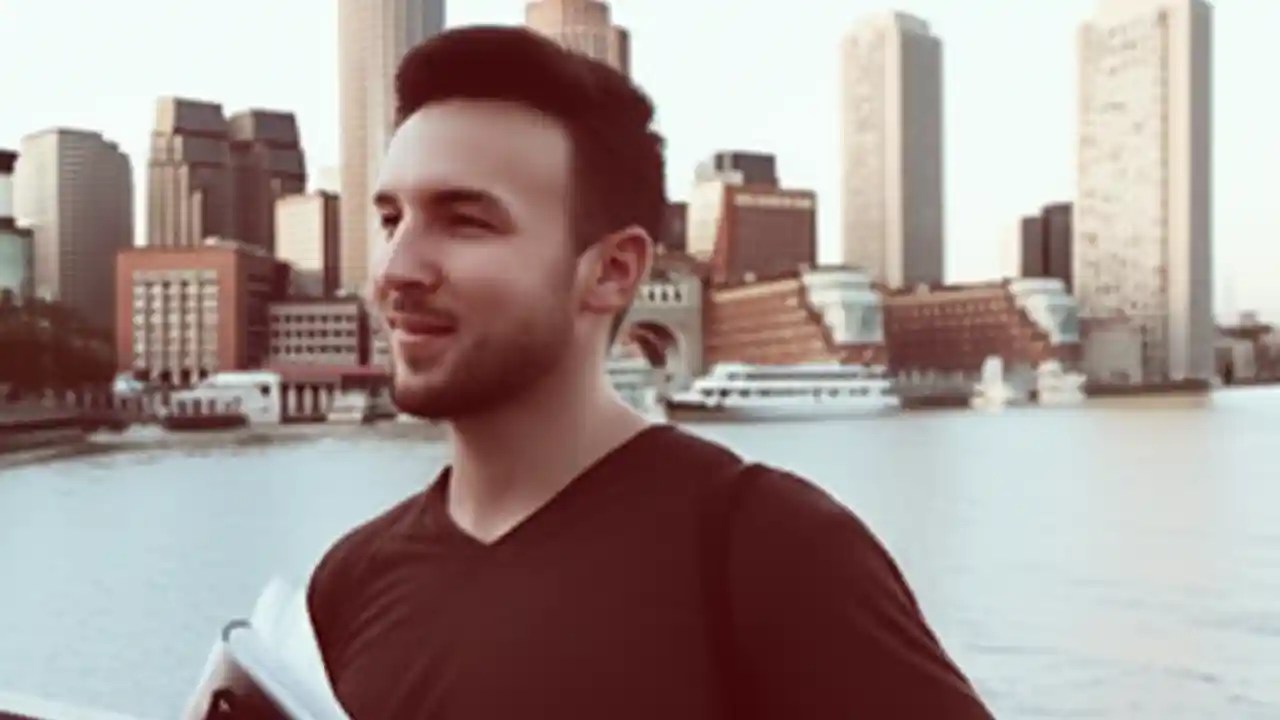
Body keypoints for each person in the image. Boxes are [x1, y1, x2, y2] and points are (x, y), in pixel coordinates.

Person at [307, 24, 993, 720]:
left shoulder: (767, 548)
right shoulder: (348, 582)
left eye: (466, 222)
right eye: (391, 219)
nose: (397, 267)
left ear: (611, 271)